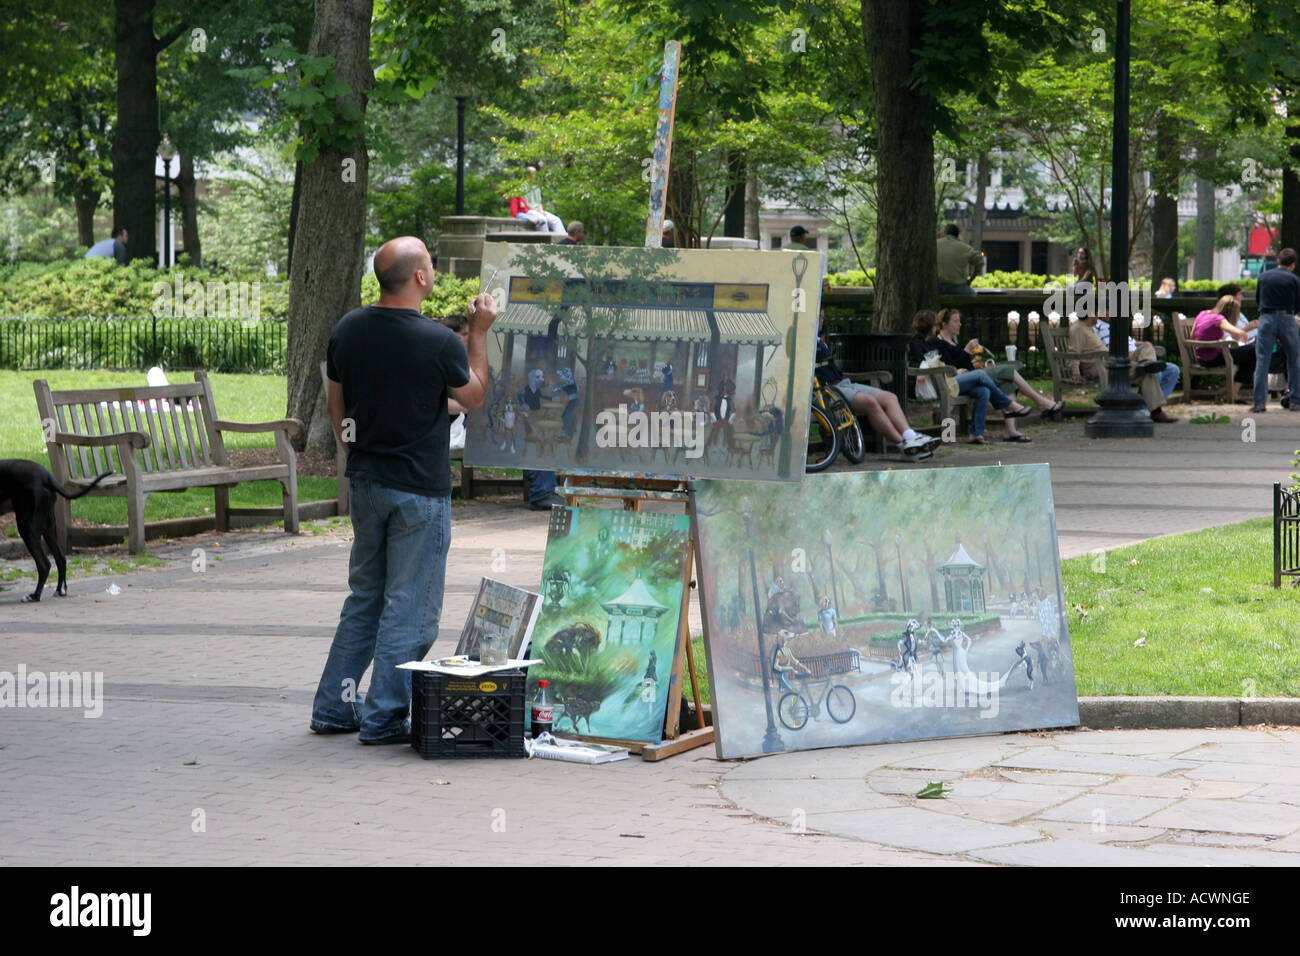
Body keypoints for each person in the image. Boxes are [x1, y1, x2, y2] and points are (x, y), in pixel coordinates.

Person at [310, 236, 495, 744]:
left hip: (367, 483)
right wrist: (477, 333)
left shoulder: (347, 329)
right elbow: (474, 396)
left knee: (366, 597)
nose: (433, 271)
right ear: (419, 277)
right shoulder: (436, 340)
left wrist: (362, 452)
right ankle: (385, 715)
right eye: (430, 265)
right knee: (409, 605)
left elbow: (337, 408)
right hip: (419, 490)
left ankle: (334, 706)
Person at [817, 308, 939, 459]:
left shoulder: (819, 339)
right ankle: (903, 446)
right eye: (818, 317)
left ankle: (911, 437)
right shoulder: (803, 342)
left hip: (842, 383)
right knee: (870, 402)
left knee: (890, 397)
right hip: (824, 391)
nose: (821, 321)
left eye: (822, 317)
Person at [914, 309, 1046, 444]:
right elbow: (931, 365)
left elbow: (948, 363)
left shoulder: (936, 342)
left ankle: (976, 434)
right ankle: (1009, 404)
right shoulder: (928, 343)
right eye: (955, 321)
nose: (959, 324)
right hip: (944, 382)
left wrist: (969, 363)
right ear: (938, 325)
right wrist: (956, 368)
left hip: (955, 379)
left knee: (984, 390)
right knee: (996, 372)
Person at [1068, 309, 1178, 422]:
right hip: (1101, 368)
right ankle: (1156, 412)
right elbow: (1073, 352)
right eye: (1097, 313)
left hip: (1110, 362)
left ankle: (1146, 362)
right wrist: (1075, 373)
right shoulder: (1078, 329)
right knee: (1146, 373)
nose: (1098, 316)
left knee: (1146, 346)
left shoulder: (1088, 327)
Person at [1251, 248, 1300, 413]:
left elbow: (1258, 299)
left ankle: (1259, 402)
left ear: (1278, 260)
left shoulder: (1264, 277)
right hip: (1286, 317)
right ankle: (1295, 400)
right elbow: (1298, 303)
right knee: (1294, 359)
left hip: (1266, 318)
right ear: (1292, 264)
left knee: (1262, 360)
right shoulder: (1294, 279)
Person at [1191, 294, 1253, 401]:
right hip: (1213, 358)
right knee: (1253, 352)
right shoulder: (1219, 319)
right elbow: (1237, 332)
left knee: (1249, 356)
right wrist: (1245, 332)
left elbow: (1192, 335)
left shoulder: (1203, 313)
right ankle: (1233, 392)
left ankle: (1232, 391)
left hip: (1201, 357)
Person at [509, 165, 564, 233]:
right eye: (534, 174)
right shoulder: (522, 187)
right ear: (527, 175)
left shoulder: (537, 186)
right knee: (543, 220)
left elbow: (539, 202)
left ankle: (563, 241)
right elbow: (524, 203)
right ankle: (546, 240)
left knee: (556, 220)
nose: (536, 176)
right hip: (529, 211)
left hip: (537, 210)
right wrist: (535, 210)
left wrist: (541, 210)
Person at [936, 223, 984, 295]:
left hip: (936, 287)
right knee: (975, 298)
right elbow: (980, 261)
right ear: (957, 235)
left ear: (945, 232)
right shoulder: (965, 248)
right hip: (958, 288)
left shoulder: (935, 244)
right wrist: (971, 279)